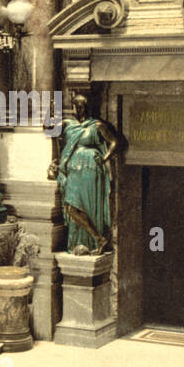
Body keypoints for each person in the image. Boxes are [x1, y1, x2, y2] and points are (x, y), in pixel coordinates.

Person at [48, 94, 121, 254]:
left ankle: (94, 243)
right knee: (71, 206)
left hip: (92, 169)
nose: (80, 108)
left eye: (83, 105)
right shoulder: (68, 124)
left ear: (87, 107)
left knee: (88, 205)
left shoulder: (97, 125)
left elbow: (115, 142)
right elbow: (50, 131)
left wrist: (104, 158)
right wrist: (51, 111)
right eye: (77, 105)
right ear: (73, 107)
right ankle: (97, 238)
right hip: (73, 168)